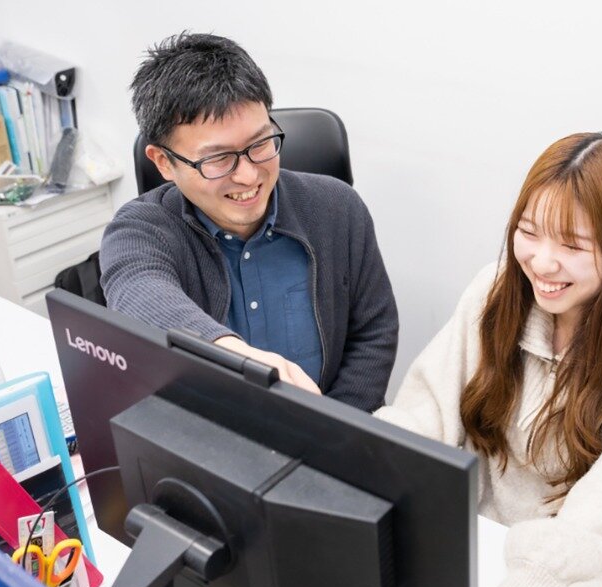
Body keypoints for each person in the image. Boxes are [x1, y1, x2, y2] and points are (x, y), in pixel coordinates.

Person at [376, 133, 602, 587]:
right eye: (529, 232)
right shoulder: (493, 291)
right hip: (483, 544)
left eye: (572, 244)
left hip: (587, 580)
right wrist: (364, 471)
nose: (542, 262)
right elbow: (423, 419)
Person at [100, 33, 398, 411]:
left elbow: (374, 335)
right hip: (212, 431)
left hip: (334, 428)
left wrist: (334, 429)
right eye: (218, 159)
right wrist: (232, 356)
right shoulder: (139, 230)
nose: (248, 176)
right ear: (164, 163)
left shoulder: (338, 208)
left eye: (260, 144)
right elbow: (138, 294)